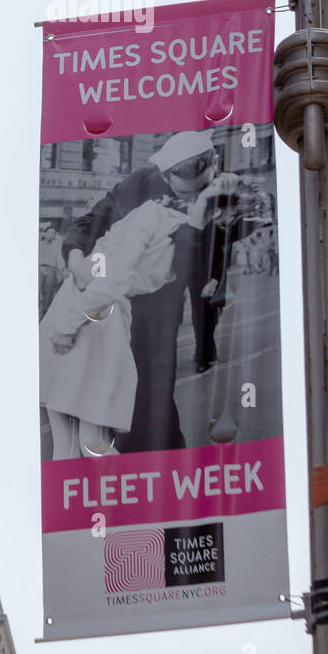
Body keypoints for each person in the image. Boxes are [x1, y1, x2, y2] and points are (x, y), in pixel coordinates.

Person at [61, 130, 239, 452]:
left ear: (213, 165)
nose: (187, 199)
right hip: (109, 298)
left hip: (159, 307)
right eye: (182, 190)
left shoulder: (216, 201)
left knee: (152, 396)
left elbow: (203, 265)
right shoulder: (141, 184)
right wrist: (74, 253)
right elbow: (93, 219)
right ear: (166, 177)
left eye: (197, 191)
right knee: (95, 398)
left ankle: (158, 460)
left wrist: (202, 232)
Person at [39, 196, 194, 458]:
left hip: (91, 314)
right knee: (82, 439)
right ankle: (95, 496)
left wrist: (68, 325)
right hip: (96, 313)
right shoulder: (170, 232)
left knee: (75, 439)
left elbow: (108, 282)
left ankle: (104, 497)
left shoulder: (151, 216)